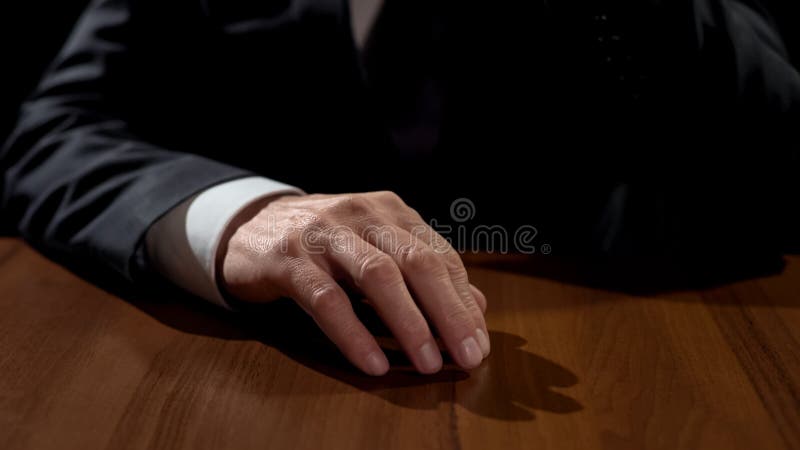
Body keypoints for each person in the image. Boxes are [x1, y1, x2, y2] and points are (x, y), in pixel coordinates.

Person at [1, 0, 798, 376]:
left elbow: (772, 159)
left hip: (630, 353)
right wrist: (240, 214)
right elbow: (52, 133)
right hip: (275, 372)